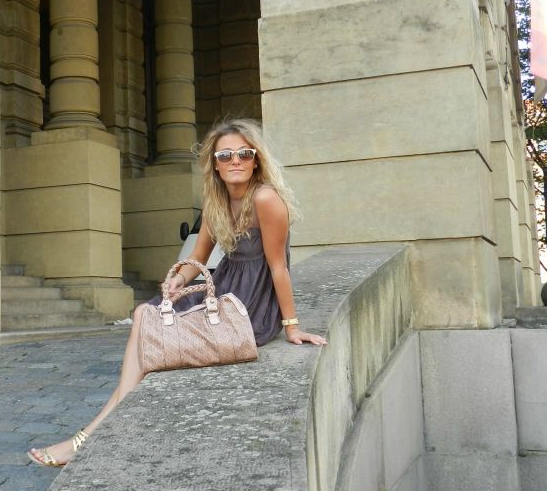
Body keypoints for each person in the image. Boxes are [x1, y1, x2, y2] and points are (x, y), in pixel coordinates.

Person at [27, 118, 327, 467]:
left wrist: (291, 327)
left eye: (244, 154)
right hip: (224, 287)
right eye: (226, 155)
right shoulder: (216, 201)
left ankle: (88, 435)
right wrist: (179, 279)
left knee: (150, 328)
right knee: (144, 313)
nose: (236, 161)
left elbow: (278, 268)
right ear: (215, 164)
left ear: (256, 160)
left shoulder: (265, 198)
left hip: (250, 307)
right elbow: (198, 257)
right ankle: (100, 427)